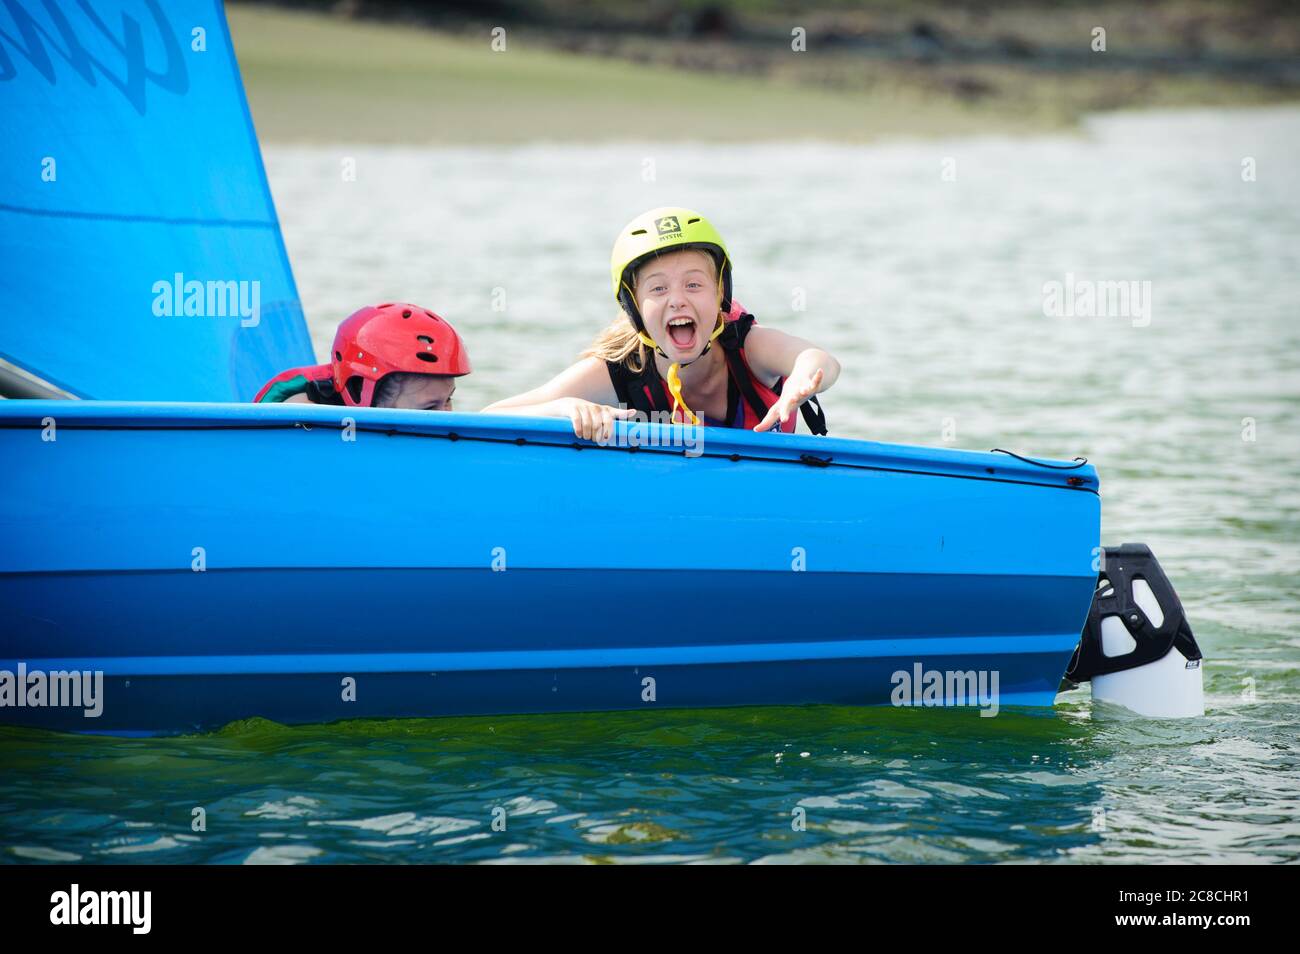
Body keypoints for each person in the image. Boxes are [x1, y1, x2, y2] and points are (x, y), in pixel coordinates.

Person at [482, 207, 839, 442]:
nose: (677, 299)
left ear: (720, 294)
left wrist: (800, 382)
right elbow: (490, 418)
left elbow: (819, 359)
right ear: (633, 307)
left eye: (694, 284)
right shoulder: (623, 368)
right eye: (658, 288)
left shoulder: (748, 348)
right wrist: (564, 408)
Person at [253, 302, 470, 409]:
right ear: (367, 397)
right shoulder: (303, 414)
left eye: (448, 399)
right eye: (430, 408)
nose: (446, 417)